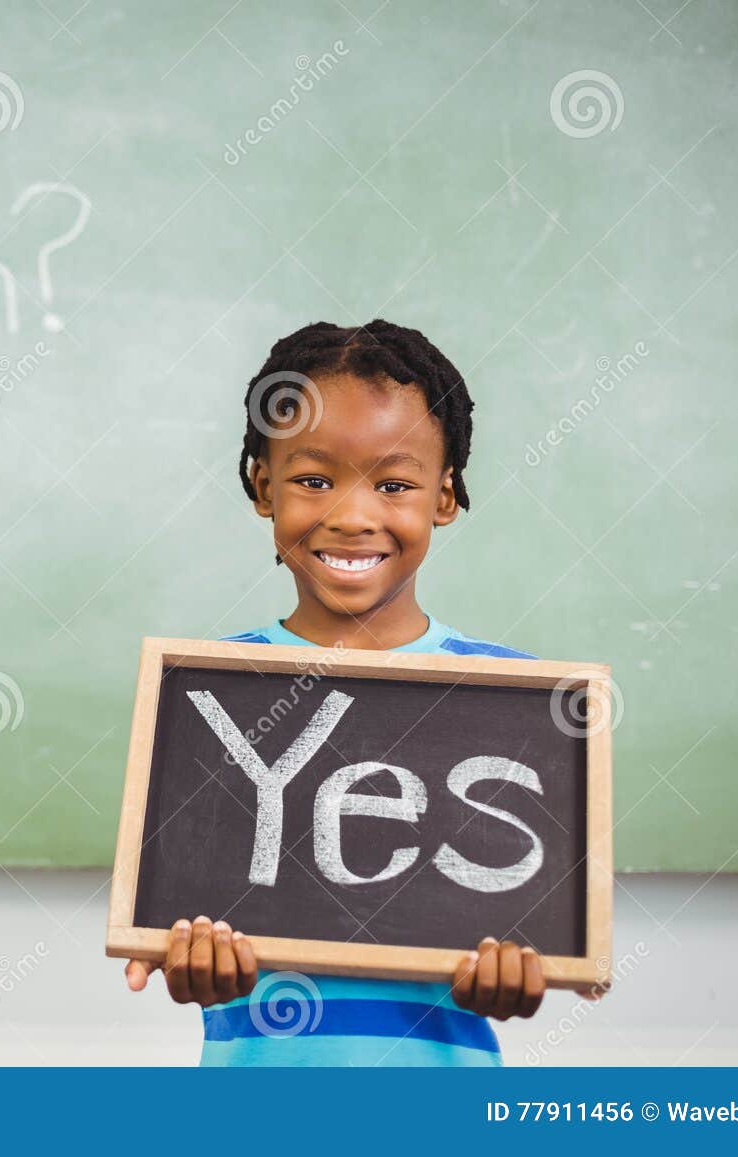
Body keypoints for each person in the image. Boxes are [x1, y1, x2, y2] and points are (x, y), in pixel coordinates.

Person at [122, 319, 598, 1065]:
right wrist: (190, 958)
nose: (351, 515)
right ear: (261, 485)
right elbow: (181, 907)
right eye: (314, 479)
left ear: (445, 497)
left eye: (394, 484)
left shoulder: (511, 699)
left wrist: (522, 968)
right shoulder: (210, 697)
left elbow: (532, 922)